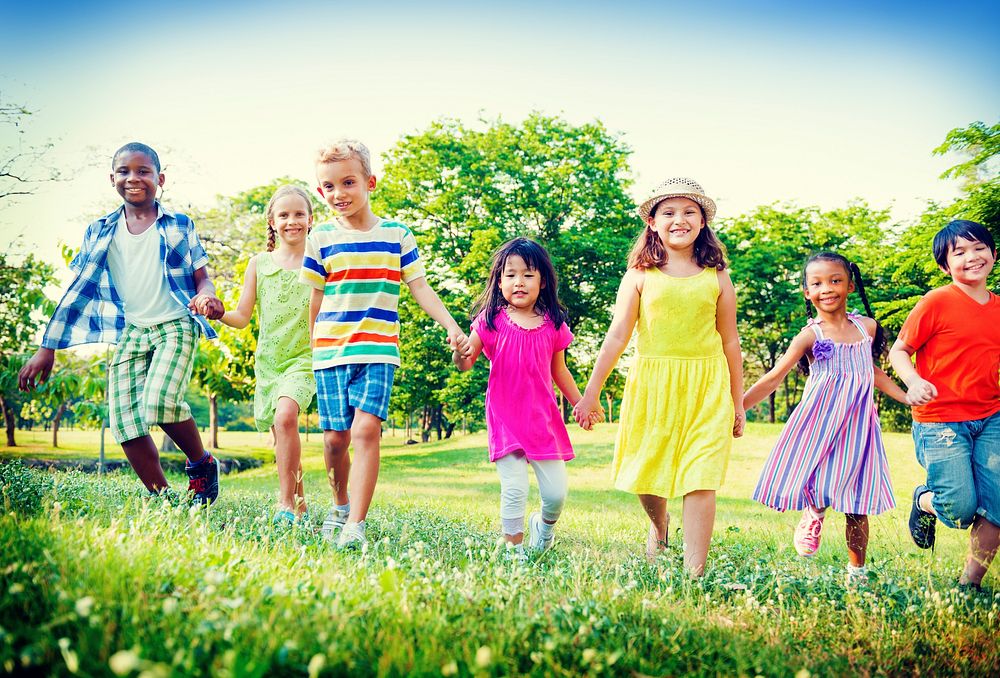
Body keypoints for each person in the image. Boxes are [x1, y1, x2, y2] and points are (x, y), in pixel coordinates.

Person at [18, 142, 224, 503]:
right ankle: (163, 499)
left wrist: (206, 295)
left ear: (159, 179)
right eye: (124, 171)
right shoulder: (99, 231)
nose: (134, 178)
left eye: (143, 171)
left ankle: (202, 464)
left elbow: (201, 277)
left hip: (176, 324)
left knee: (159, 401)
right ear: (112, 178)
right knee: (124, 421)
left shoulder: (179, 225)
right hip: (134, 330)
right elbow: (78, 290)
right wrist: (45, 348)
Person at [301, 139, 470, 549]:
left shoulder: (397, 235)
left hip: (377, 350)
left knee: (365, 431)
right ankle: (339, 504)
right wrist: (311, 343)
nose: (338, 194)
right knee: (334, 439)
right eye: (328, 187)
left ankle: (355, 525)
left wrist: (450, 325)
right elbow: (316, 298)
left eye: (348, 183)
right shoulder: (319, 237)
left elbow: (420, 287)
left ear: (369, 182)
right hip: (330, 351)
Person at [573, 178, 744, 575]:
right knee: (646, 471)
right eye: (668, 212)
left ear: (703, 223)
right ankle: (659, 525)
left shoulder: (717, 276)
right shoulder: (639, 275)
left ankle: (694, 573)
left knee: (701, 475)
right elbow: (617, 335)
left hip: (706, 385)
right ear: (652, 222)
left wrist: (737, 402)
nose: (679, 220)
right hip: (653, 382)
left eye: (689, 212)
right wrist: (591, 393)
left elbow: (731, 342)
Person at [744, 252, 909, 582]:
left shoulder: (867, 328)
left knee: (857, 501)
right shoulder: (810, 336)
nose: (827, 288)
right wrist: (738, 407)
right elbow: (775, 377)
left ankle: (857, 571)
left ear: (850, 285)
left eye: (835, 280)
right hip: (819, 423)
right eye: (817, 283)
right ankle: (814, 511)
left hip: (859, 426)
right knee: (819, 484)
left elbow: (871, 370)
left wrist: (907, 397)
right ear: (807, 292)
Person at [453, 238, 588, 560]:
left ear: (542, 282)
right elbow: (466, 362)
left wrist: (581, 403)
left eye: (528, 275)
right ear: (499, 282)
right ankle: (513, 550)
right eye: (511, 274)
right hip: (504, 417)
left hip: (543, 420)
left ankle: (543, 529)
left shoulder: (554, 325)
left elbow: (560, 371)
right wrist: (459, 353)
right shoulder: (489, 320)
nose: (519, 282)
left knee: (556, 494)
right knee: (514, 488)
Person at [889, 220, 1000, 592]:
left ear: (994, 254)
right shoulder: (937, 301)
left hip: (991, 417)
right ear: (945, 266)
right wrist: (915, 381)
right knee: (959, 510)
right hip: (941, 421)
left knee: (998, 502)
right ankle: (924, 501)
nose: (972, 257)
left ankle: (969, 584)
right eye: (959, 252)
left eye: (979, 247)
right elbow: (899, 351)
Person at [221, 185, 316, 523]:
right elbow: (242, 317)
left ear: (310, 219)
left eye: (299, 214)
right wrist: (218, 313)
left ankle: (285, 504)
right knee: (283, 436)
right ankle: (301, 505)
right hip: (270, 362)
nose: (292, 221)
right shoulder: (259, 264)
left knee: (286, 418)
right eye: (284, 215)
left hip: (306, 359)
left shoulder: (322, 262)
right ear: (273, 223)